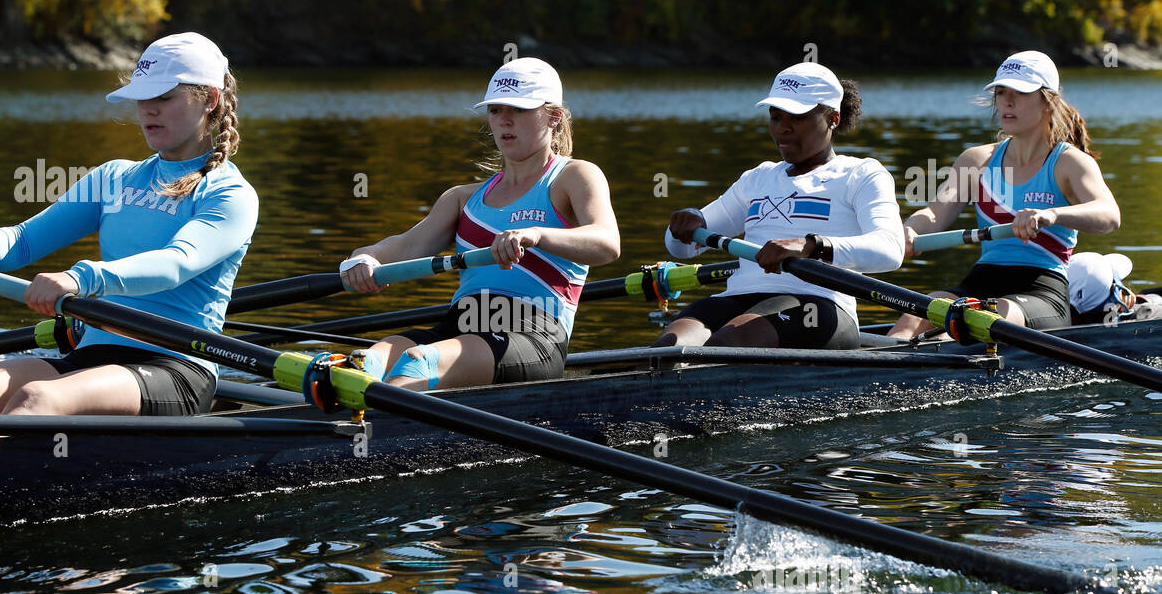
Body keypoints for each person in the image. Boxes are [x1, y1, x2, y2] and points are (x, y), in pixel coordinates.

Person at [0, 31, 258, 417]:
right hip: (92, 353)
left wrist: (81, 278)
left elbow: (175, 263)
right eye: (143, 98)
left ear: (209, 98)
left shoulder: (230, 193)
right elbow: (22, 242)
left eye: (164, 97)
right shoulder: (114, 178)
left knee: (38, 399)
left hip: (174, 367)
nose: (147, 110)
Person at [339, 57, 620, 390]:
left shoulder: (574, 176)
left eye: (518, 110)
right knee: (364, 361)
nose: (504, 121)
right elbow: (407, 245)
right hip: (460, 326)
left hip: (533, 334)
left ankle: (370, 428)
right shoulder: (462, 199)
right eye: (496, 110)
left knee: (419, 363)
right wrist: (365, 257)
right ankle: (345, 421)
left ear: (554, 117)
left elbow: (607, 243)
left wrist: (537, 235)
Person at [659, 62, 902, 349]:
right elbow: (682, 249)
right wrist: (685, 223)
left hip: (819, 306)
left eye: (796, 118)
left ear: (833, 118)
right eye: (775, 117)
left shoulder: (861, 174)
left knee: (731, 341)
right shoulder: (758, 178)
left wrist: (813, 246)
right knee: (670, 347)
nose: (782, 129)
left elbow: (891, 250)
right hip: (738, 299)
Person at [888, 51, 1120, 340]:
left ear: (1049, 102)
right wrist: (909, 230)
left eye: (1019, 93)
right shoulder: (977, 160)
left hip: (1041, 290)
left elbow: (1109, 215)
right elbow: (935, 214)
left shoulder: (1068, 162)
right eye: (1000, 92)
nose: (1006, 102)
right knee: (913, 317)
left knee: (968, 324)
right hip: (980, 281)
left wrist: (1051, 215)